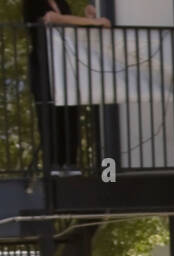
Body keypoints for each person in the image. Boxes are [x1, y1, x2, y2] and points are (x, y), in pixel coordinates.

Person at [23, 0, 111, 174]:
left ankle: (71, 163)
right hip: (43, 65)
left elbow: (68, 25)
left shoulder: (62, 3)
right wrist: (94, 22)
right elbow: (53, 19)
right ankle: (54, 164)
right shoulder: (31, 3)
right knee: (49, 115)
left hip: (65, 66)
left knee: (70, 112)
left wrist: (87, 19)